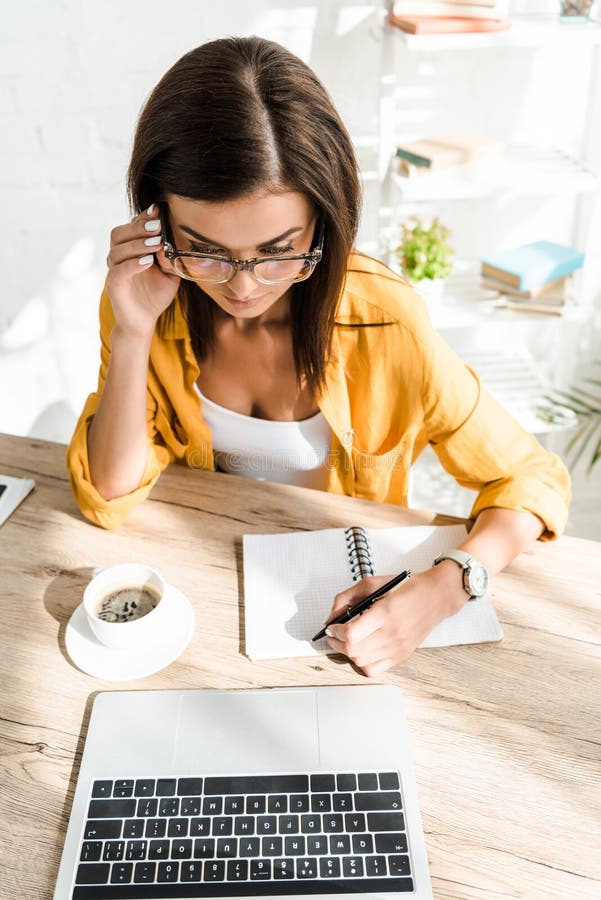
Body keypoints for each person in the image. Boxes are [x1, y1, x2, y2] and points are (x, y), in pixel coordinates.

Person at [67, 36, 571, 676]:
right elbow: (108, 493)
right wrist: (135, 330)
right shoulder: (147, 302)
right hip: (205, 602)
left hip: (340, 626)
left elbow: (531, 480)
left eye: (279, 249)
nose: (244, 286)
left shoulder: (384, 320)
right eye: (206, 249)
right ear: (157, 222)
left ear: (324, 223)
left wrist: (444, 590)